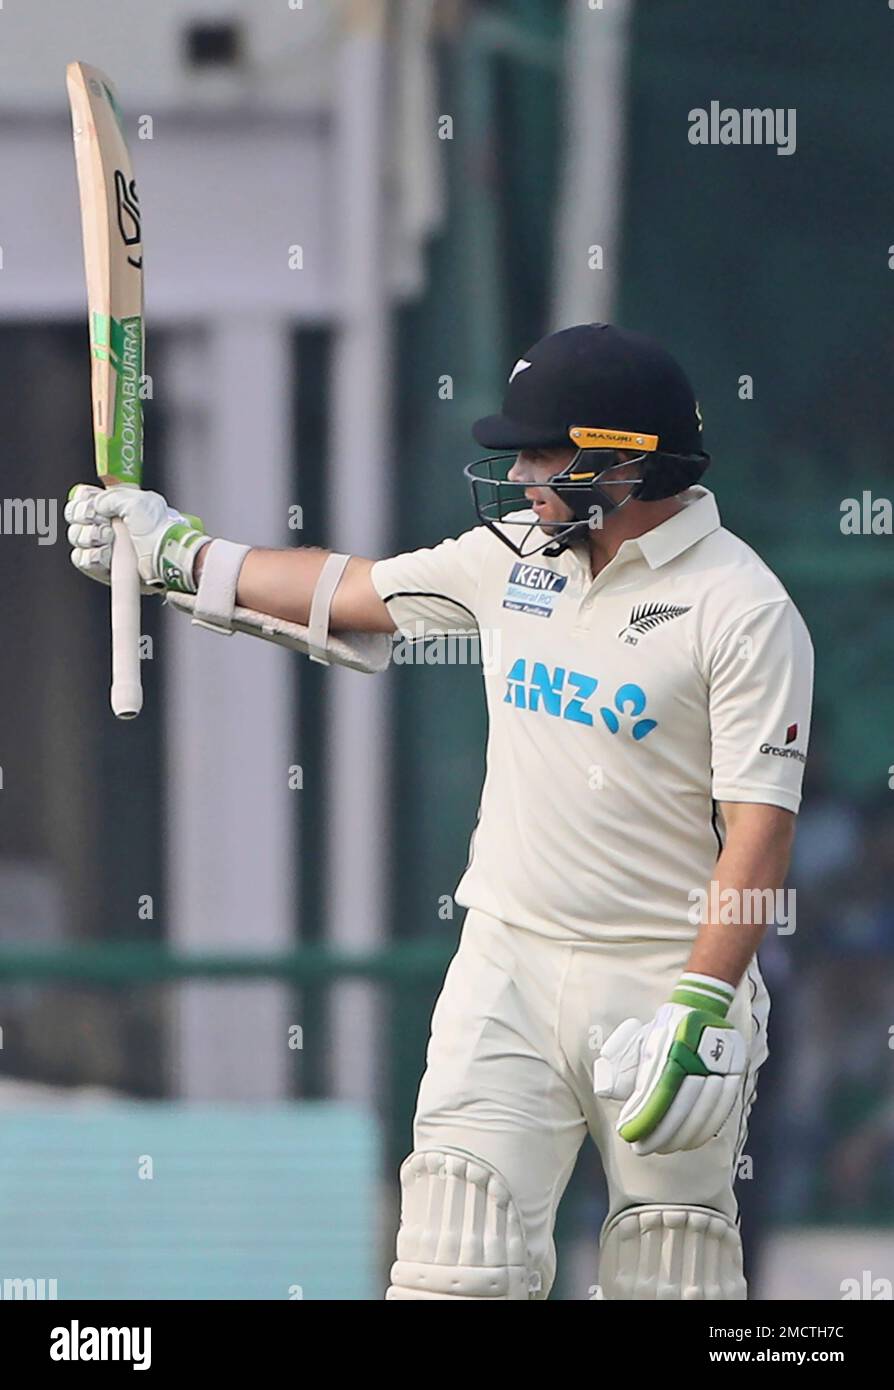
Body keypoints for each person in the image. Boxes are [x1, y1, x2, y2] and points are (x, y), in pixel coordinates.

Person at [66, 322, 814, 1300]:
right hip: (508, 958)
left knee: (670, 1267)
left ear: (629, 459)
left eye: (546, 453)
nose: (525, 477)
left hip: (659, 980)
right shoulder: (517, 560)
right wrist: (175, 554)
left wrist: (705, 1005)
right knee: (453, 1265)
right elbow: (355, 592)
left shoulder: (741, 609)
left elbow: (758, 835)